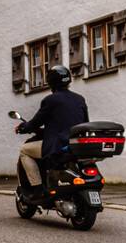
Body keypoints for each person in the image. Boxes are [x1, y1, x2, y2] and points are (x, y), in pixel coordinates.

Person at [15, 65, 89, 198]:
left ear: (51, 82)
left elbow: (35, 122)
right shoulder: (80, 99)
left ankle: (37, 188)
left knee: (24, 150)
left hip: (58, 145)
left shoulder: (50, 100)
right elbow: (84, 122)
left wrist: (23, 127)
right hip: (76, 145)